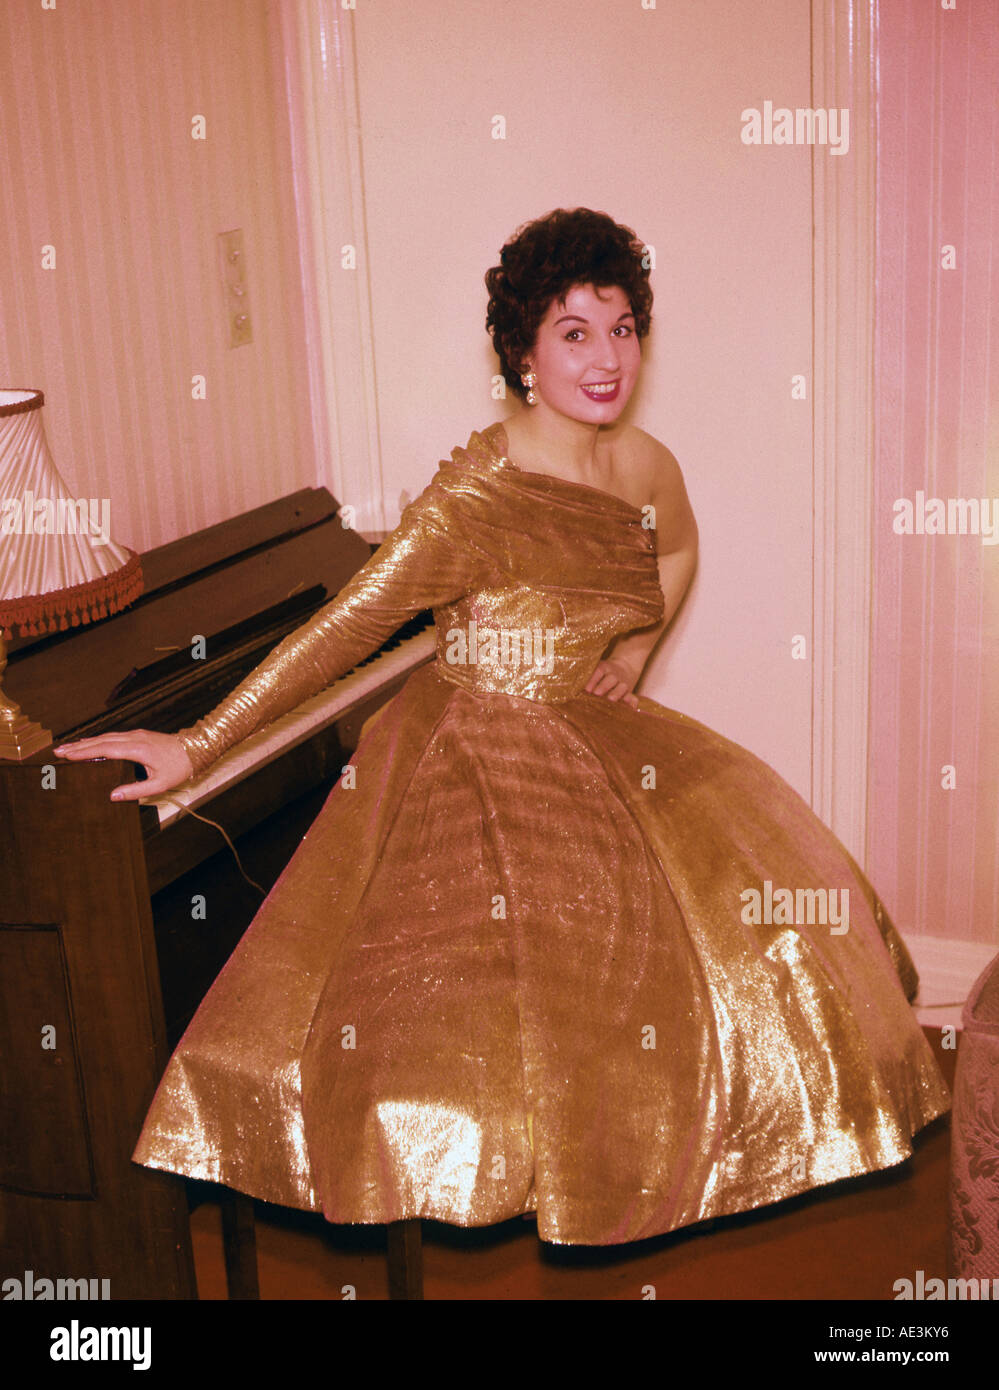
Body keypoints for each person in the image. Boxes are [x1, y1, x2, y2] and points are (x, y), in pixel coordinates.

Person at [54, 207, 949, 1248]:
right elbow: (348, 624)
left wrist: (629, 658)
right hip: (473, 748)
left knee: (737, 954)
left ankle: (621, 1175)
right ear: (522, 352)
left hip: (593, 735)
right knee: (454, 1022)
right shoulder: (475, 491)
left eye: (622, 328)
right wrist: (197, 745)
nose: (607, 357)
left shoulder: (644, 465)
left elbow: (675, 557)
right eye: (575, 333)